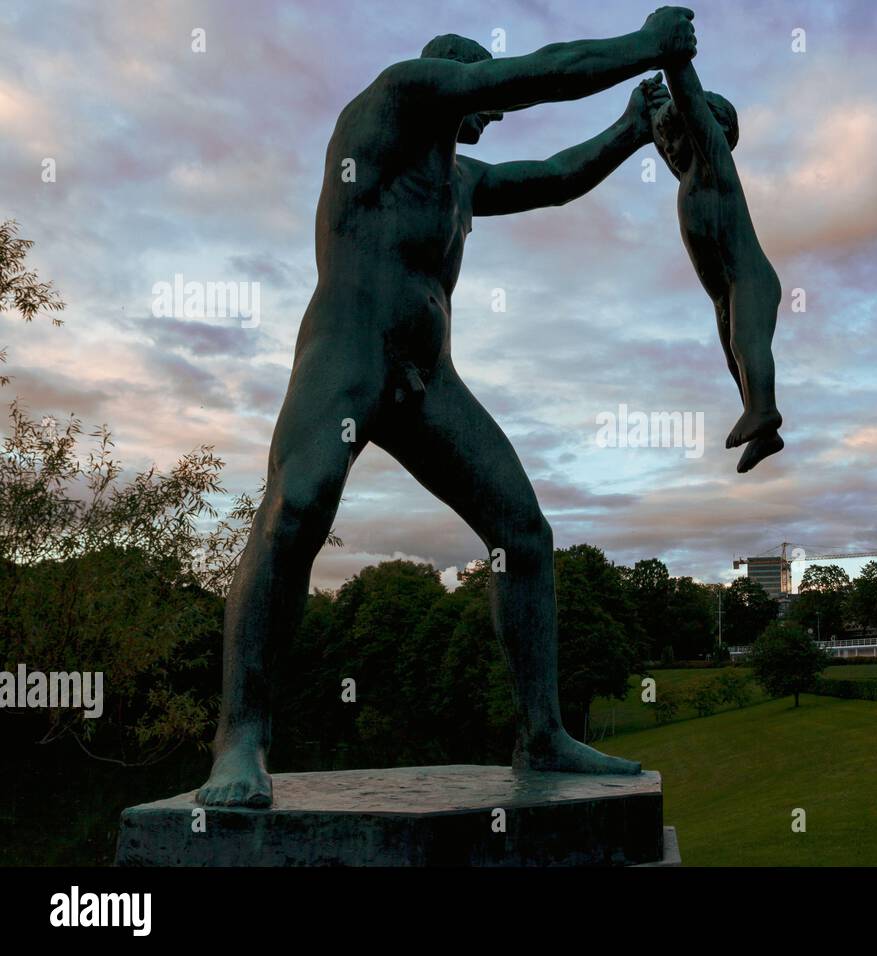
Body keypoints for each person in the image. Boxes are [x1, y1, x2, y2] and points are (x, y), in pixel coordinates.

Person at [197, 9, 698, 808]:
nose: (489, 119)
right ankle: (240, 740)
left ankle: (542, 733)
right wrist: (645, 46)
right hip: (347, 356)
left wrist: (634, 126)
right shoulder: (399, 96)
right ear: (452, 75)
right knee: (296, 507)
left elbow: (558, 177)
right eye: (480, 100)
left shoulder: (461, 180)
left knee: (523, 533)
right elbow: (528, 77)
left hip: (429, 379)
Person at [652, 55, 783, 472]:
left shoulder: (714, 163)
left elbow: (689, 101)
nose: (670, 149)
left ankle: (763, 411)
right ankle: (765, 433)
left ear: (710, 131)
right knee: (733, 357)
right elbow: (663, 135)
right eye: (667, 142)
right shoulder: (689, 175)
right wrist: (655, 106)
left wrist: (672, 58)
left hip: (749, 280)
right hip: (724, 291)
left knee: (746, 345)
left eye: (679, 136)